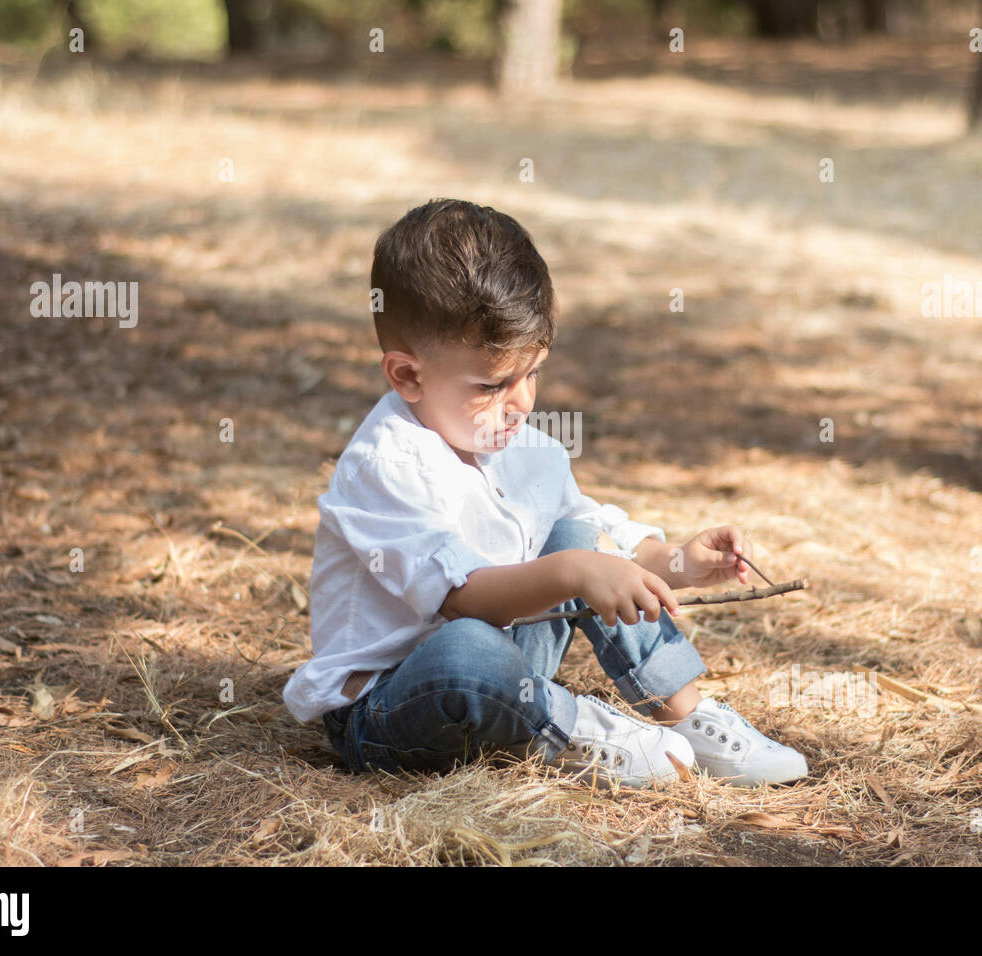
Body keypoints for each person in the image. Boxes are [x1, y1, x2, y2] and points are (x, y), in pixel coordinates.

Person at [282, 198, 808, 790]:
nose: (523, 402)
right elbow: (461, 600)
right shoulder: (385, 463)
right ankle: (574, 727)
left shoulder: (528, 448)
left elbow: (586, 536)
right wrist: (574, 571)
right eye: (491, 384)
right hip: (396, 707)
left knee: (581, 540)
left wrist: (678, 562)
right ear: (407, 375)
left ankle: (686, 715)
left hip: (513, 669)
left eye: (532, 373)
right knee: (468, 647)